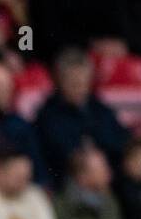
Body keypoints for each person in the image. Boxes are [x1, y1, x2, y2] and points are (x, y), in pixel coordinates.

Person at [33, 47, 129, 188]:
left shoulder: (100, 109)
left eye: (83, 83)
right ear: (59, 81)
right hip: (68, 184)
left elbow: (120, 141)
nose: (79, 88)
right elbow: (57, 154)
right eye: (73, 83)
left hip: (109, 180)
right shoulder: (47, 115)